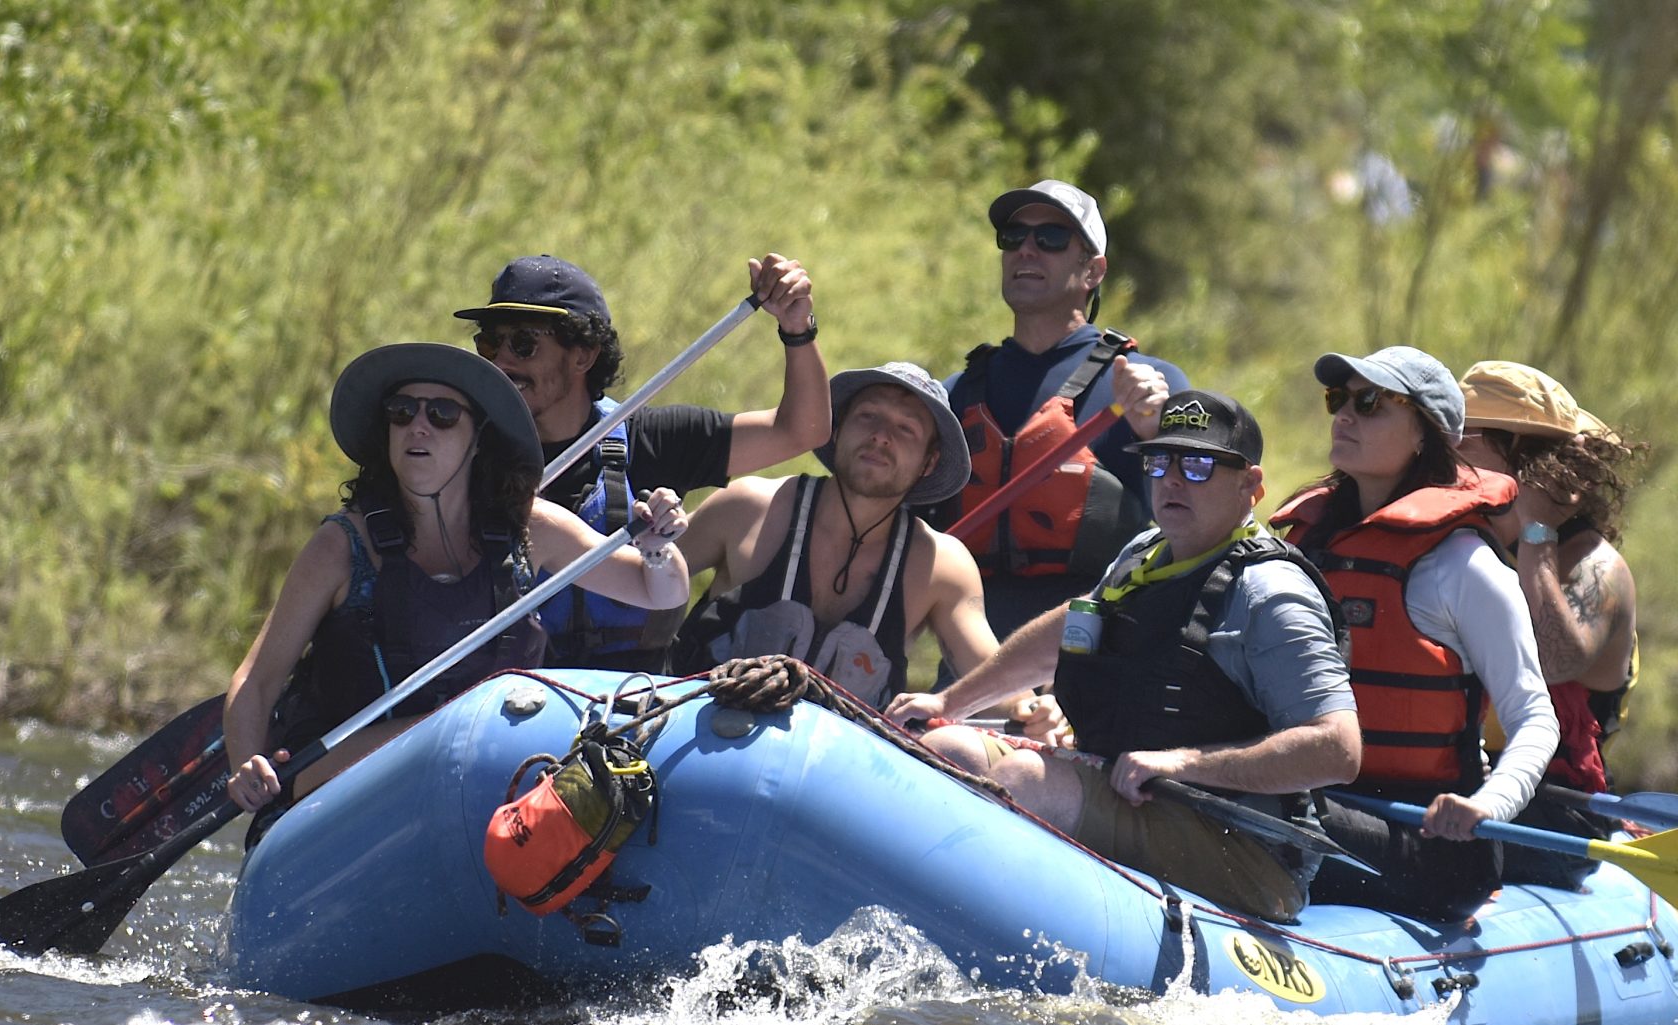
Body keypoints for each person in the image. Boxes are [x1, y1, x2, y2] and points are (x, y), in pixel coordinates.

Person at [889, 390, 1361, 923]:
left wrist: (1182, 763)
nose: (1172, 480)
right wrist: (951, 702)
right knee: (950, 747)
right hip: (1134, 797)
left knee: (1027, 780)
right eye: (1160, 463)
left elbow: (1338, 750)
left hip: (1246, 850)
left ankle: (956, 929)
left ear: (1250, 486)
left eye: (1198, 465)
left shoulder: (1272, 595)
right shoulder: (1145, 553)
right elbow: (1071, 625)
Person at [224, 343, 689, 815]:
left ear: (478, 438)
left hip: (493, 779)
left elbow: (659, 591)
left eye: (442, 414)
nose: (417, 426)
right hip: (352, 791)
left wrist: (657, 546)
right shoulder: (339, 547)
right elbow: (256, 683)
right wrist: (247, 766)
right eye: (401, 412)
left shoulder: (531, 527)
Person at [1269, 346, 1559, 920]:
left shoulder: (1464, 567)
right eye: (1338, 399)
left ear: (1425, 435)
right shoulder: (1304, 545)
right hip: (1318, 800)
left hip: (1430, 844)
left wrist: (1486, 807)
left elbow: (1534, 718)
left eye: (1370, 403)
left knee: (1262, 809)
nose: (1344, 415)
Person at [455, 251, 828, 671]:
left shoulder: (652, 438)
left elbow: (802, 431)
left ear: (582, 356)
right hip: (502, 691)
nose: (501, 362)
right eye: (490, 343)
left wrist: (797, 329)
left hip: (630, 695)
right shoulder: (457, 448)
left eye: (523, 344)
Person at [930, 180, 1192, 640]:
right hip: (972, 660)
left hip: (1098, 655)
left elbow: (1198, 527)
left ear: (1093, 270)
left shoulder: (1147, 386)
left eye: (1051, 237)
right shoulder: (956, 394)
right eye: (1013, 236)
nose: (1026, 249)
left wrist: (1155, 435)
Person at [669, 362, 1007, 713]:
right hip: (697, 734)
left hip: (836, 749)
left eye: (906, 428)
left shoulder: (941, 566)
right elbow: (640, 577)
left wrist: (1032, 710)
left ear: (929, 462)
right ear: (836, 428)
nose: (881, 436)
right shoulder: (747, 507)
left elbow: (996, 683)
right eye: (868, 416)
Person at [1458, 360, 1640, 877]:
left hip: (1553, 807)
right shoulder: (1466, 542)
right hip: (1465, 779)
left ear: (1528, 459)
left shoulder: (1597, 566)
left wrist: (1537, 530)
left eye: (1467, 440)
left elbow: (1554, 661)